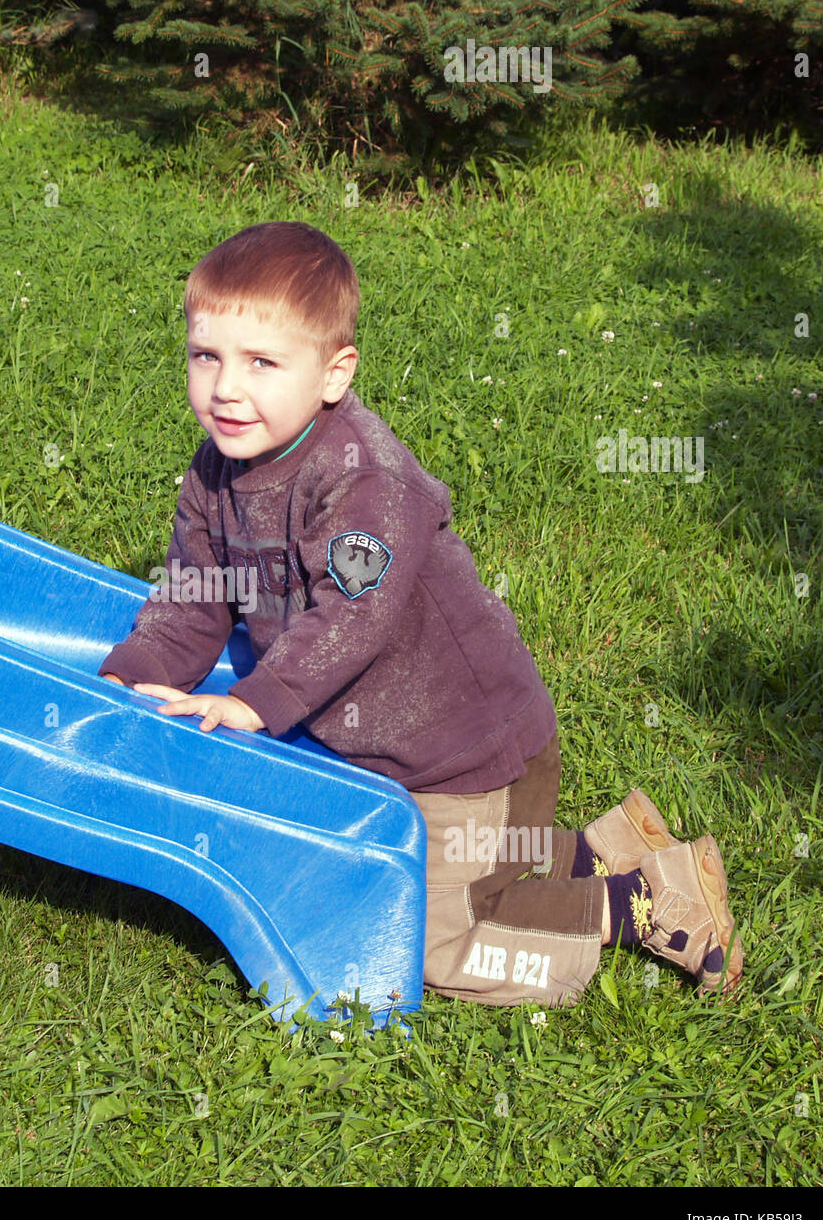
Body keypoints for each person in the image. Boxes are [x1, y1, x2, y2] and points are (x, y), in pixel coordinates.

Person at [99, 221, 742, 1007]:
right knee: (401, 870)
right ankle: (604, 848)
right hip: (386, 761)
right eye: (208, 356)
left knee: (431, 936)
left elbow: (352, 616)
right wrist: (128, 676)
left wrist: (252, 702)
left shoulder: (366, 479)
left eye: (262, 362)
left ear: (335, 374)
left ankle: (643, 904)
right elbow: (194, 597)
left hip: (467, 760)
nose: (226, 387)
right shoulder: (217, 472)